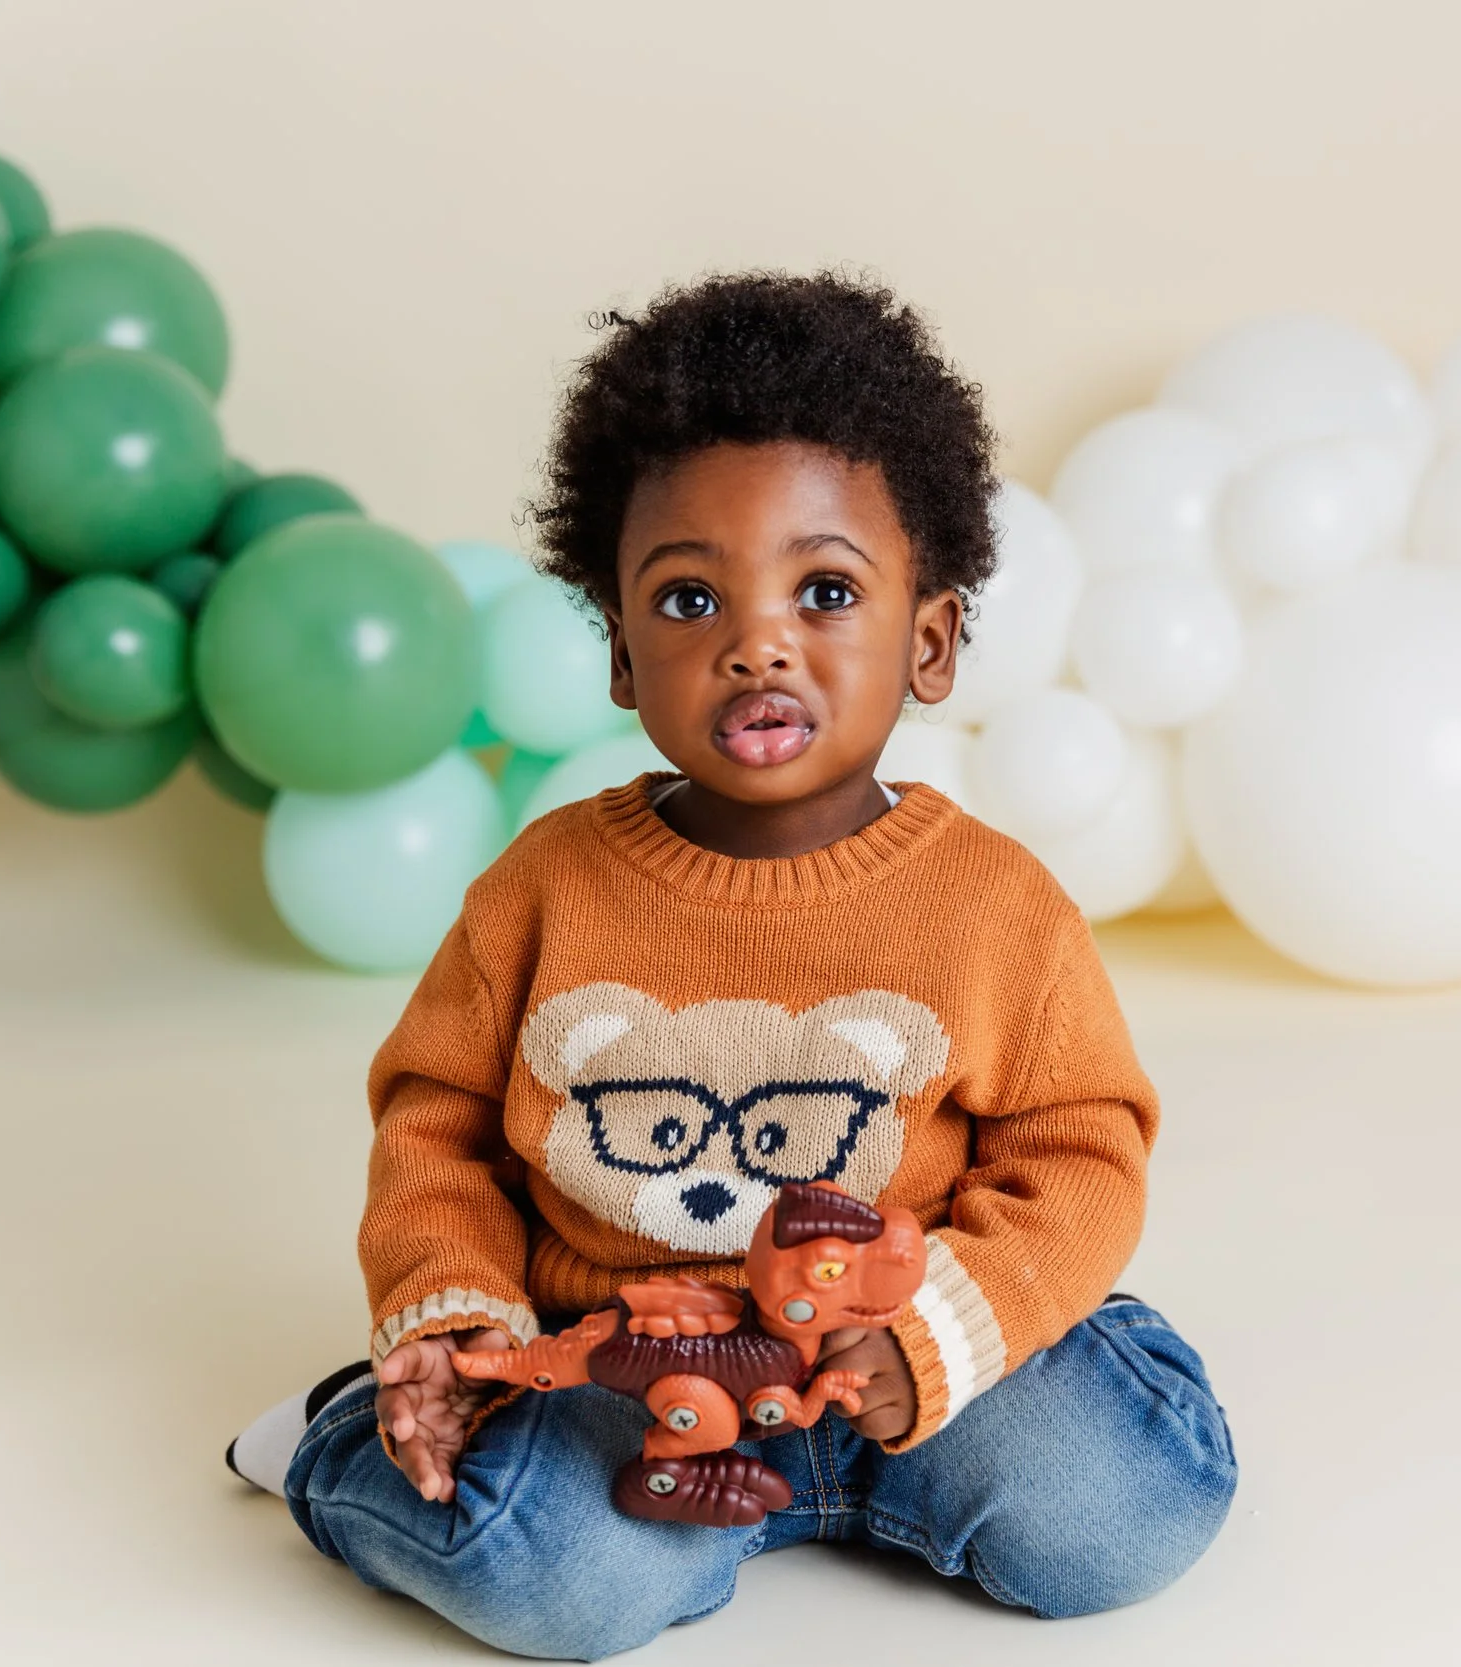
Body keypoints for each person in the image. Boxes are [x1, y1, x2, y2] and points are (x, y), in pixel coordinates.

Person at [224, 270, 1237, 1660]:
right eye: (690, 598)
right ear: (624, 661)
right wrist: (456, 1312)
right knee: (560, 1586)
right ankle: (346, 1441)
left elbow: (1082, 1147)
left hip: (910, 1363)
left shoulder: (996, 907)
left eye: (825, 589)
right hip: (622, 1384)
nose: (757, 640)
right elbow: (437, 1126)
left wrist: (960, 1317)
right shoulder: (542, 892)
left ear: (930, 640)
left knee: (1132, 1508)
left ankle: (965, 1393)